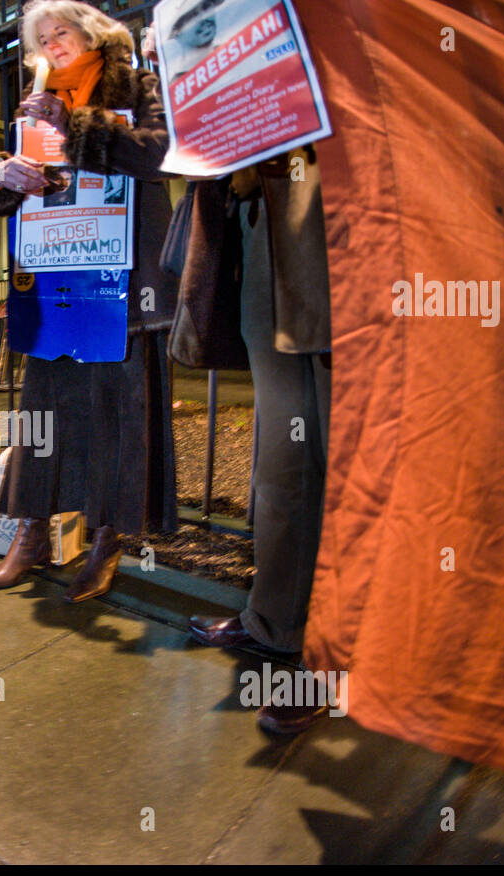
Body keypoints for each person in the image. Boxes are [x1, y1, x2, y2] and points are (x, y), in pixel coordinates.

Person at [0, 0, 178, 602]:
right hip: (55, 275)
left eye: (61, 32)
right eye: (42, 37)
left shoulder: (137, 86)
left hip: (123, 282)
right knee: (45, 413)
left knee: (118, 411)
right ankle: (31, 536)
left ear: (91, 33)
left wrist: (76, 126)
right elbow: (21, 183)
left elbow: (160, 151)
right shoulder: (39, 101)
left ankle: (108, 542)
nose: (52, 44)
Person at [177, 149, 332, 735]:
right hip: (267, 217)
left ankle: (338, 653)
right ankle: (275, 618)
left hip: (332, 214)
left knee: (345, 453)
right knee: (282, 456)